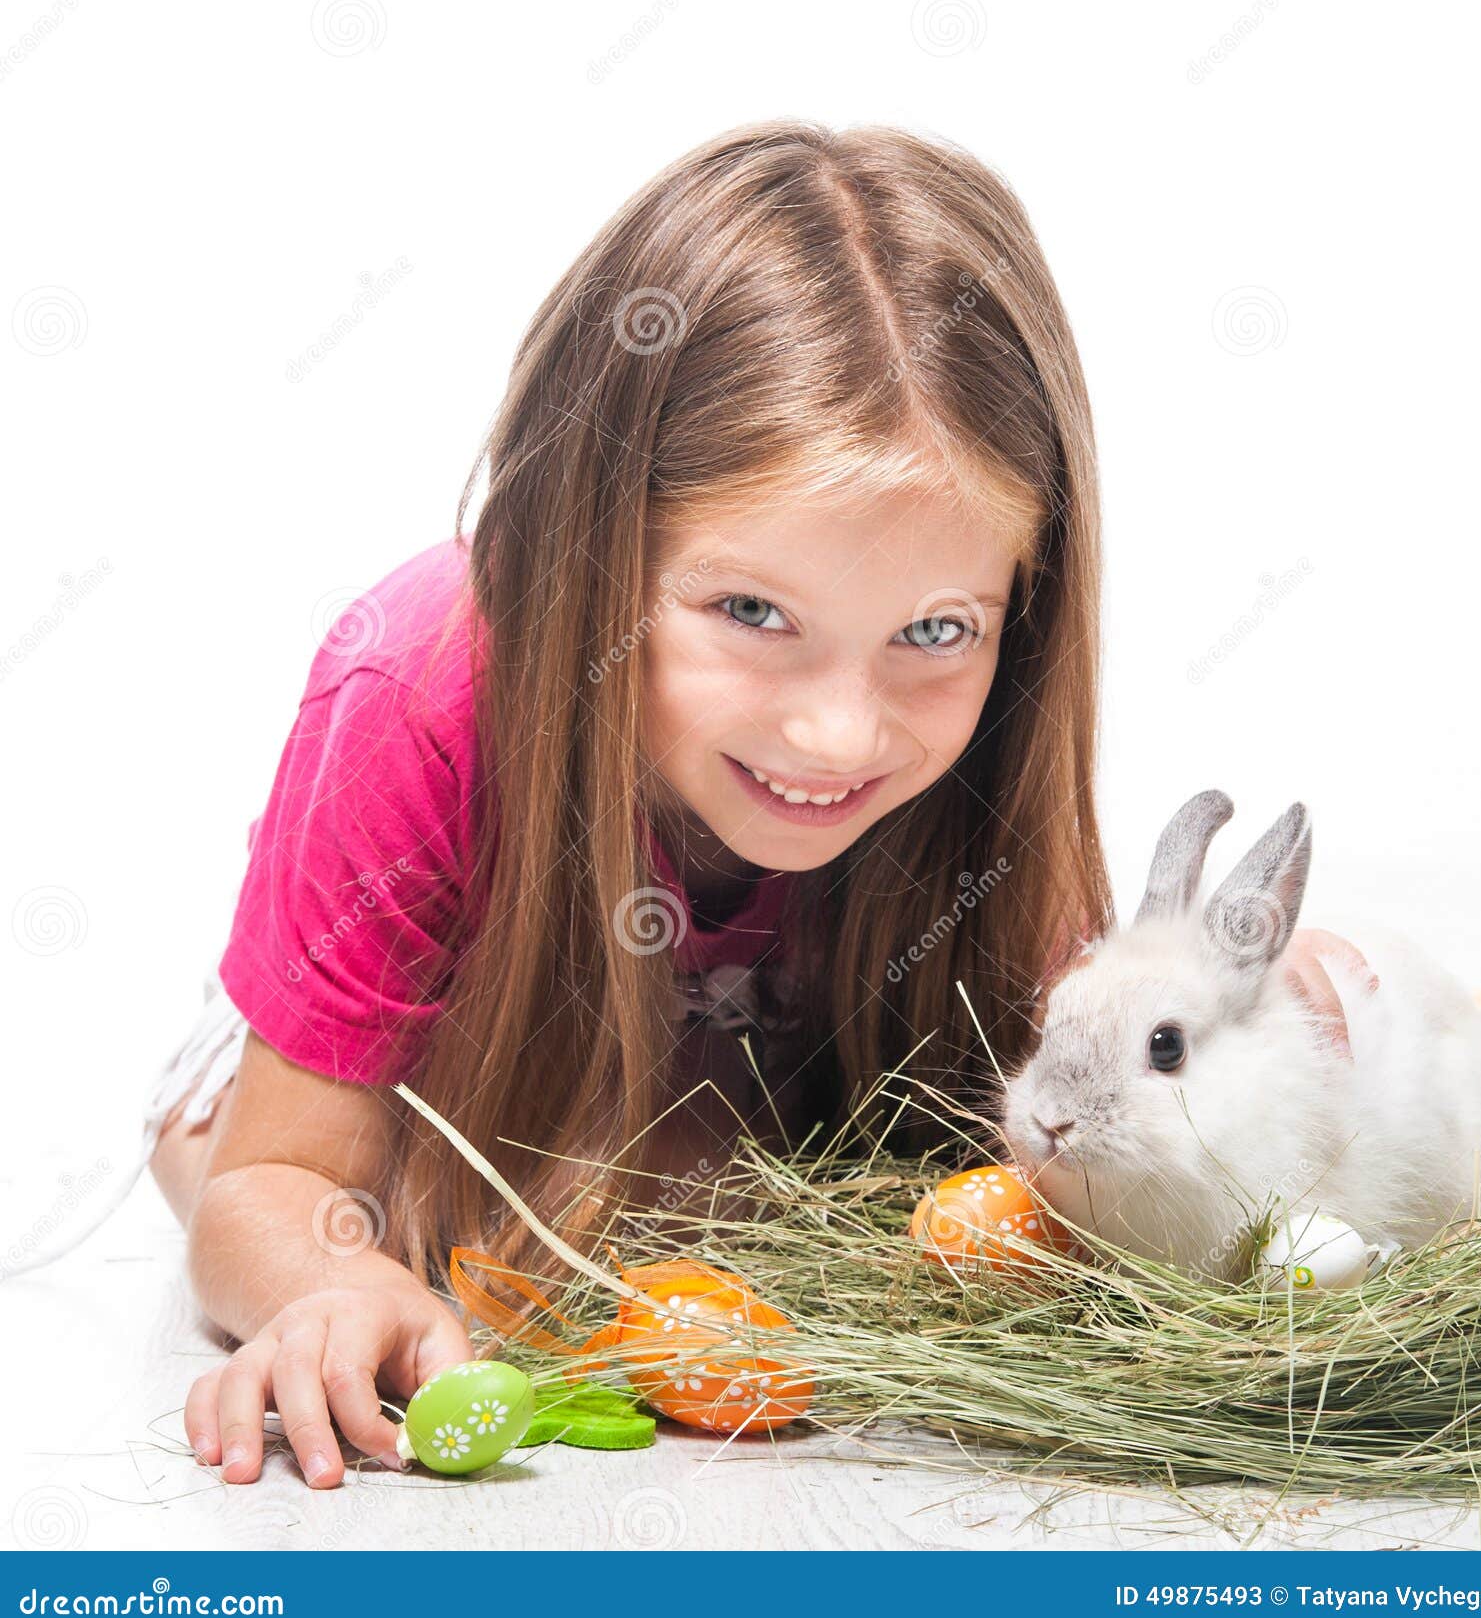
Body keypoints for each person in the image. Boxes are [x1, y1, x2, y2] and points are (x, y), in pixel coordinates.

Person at [140, 120, 1375, 1486]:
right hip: (435, 1038)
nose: (839, 730)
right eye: (750, 610)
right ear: (590, 546)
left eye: (936, 629)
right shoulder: (421, 684)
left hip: (731, 1041)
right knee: (448, 1209)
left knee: (705, 1177)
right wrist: (325, 1281)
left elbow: (1087, 1078)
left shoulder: (977, 765)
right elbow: (275, 1180)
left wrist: (1255, 1015)